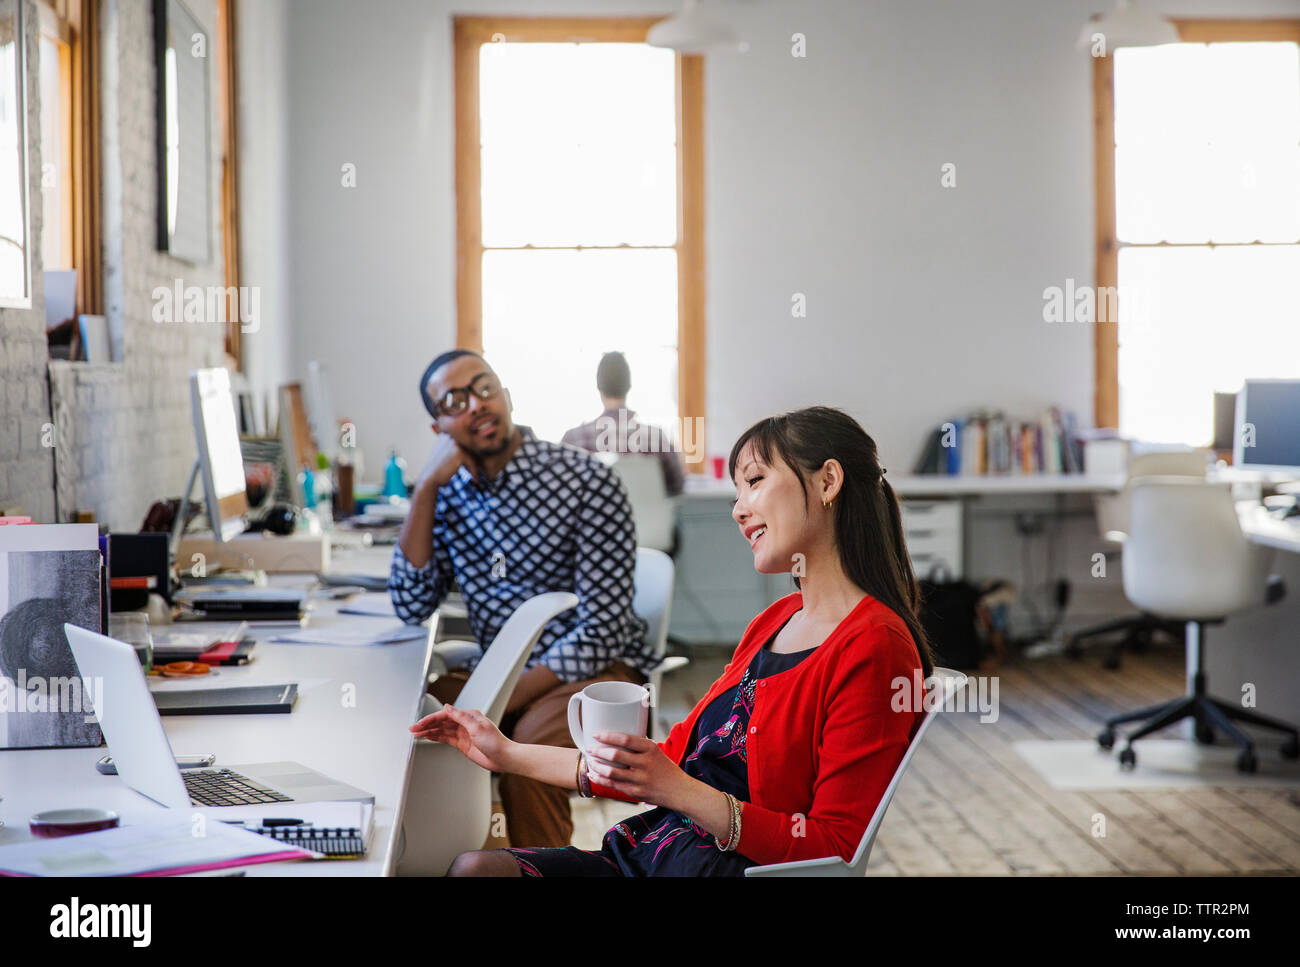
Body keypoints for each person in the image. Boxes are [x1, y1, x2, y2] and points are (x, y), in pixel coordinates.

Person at [414, 406, 936, 876]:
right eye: (736, 491)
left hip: (724, 870)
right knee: (475, 868)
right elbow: (662, 763)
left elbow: (834, 847)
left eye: (754, 481)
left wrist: (676, 789)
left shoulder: (874, 645)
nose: (738, 509)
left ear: (828, 481)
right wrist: (502, 752)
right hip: (659, 855)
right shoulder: (775, 620)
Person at [390, 349, 659, 848]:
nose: (477, 404)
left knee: (525, 749)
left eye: (485, 387)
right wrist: (425, 487)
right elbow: (410, 605)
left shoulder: (585, 480)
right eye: (455, 400)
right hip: (500, 667)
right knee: (406, 721)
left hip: (594, 668)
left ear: (507, 395)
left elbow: (601, 630)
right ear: (439, 429)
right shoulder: (447, 493)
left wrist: (499, 699)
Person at [561, 352, 685, 497]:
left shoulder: (573, 440)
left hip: (596, 518)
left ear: (598, 387)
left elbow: (562, 489)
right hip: (648, 519)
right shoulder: (656, 439)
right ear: (628, 386)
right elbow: (677, 486)